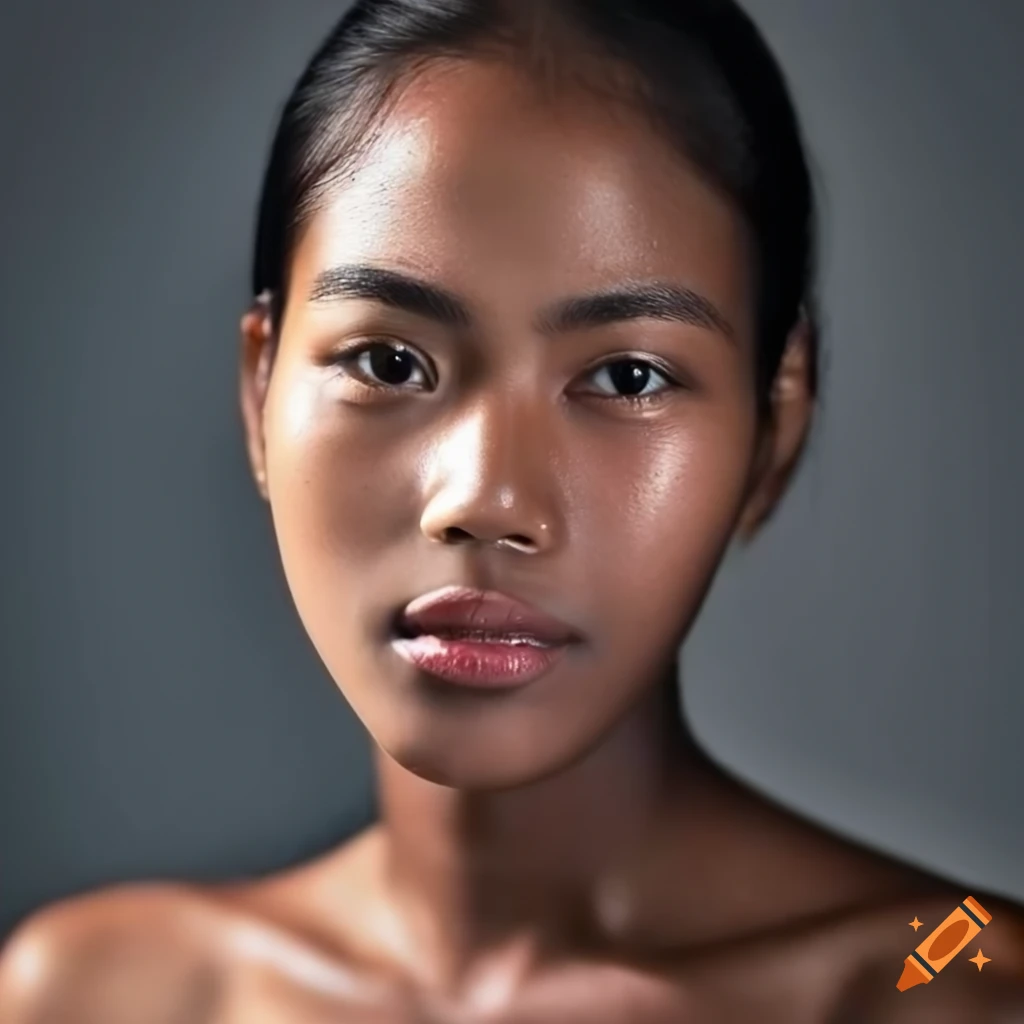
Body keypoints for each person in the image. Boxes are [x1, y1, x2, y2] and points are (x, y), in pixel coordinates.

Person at [1, 1, 1022, 1020]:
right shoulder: (99, 990)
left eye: (626, 377)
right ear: (260, 389)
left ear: (773, 426)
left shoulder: (949, 976)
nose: (485, 500)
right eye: (389, 362)